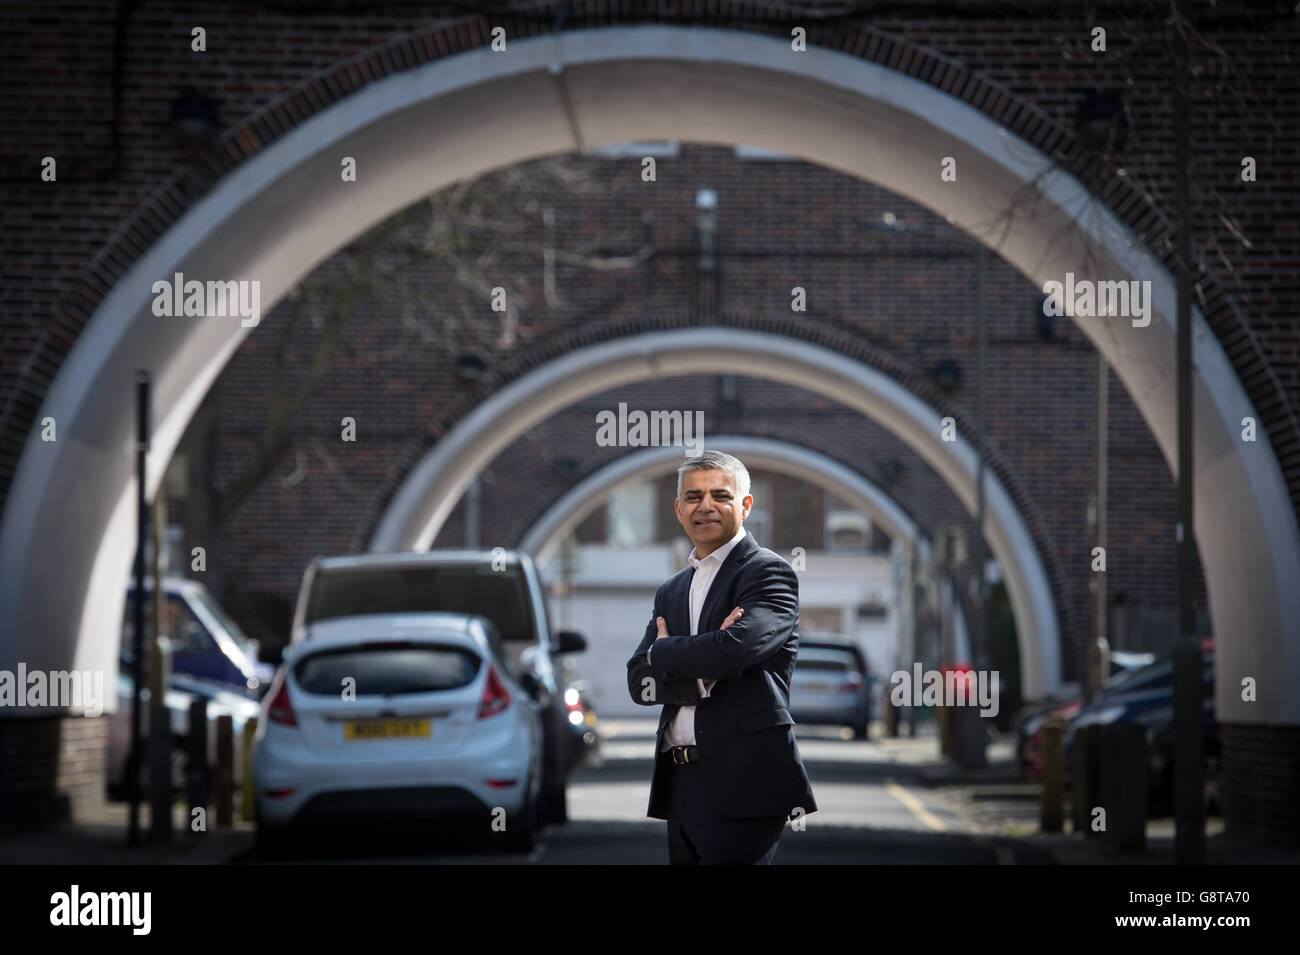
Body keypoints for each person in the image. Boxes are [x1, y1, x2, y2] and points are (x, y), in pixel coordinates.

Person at [626, 449, 817, 864]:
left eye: (721, 495)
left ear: (745, 505)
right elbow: (639, 680)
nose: (705, 506)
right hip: (680, 782)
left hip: (744, 782)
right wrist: (700, 665)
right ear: (678, 509)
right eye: (693, 497)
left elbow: (737, 650)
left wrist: (666, 652)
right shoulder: (672, 590)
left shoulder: (767, 572)